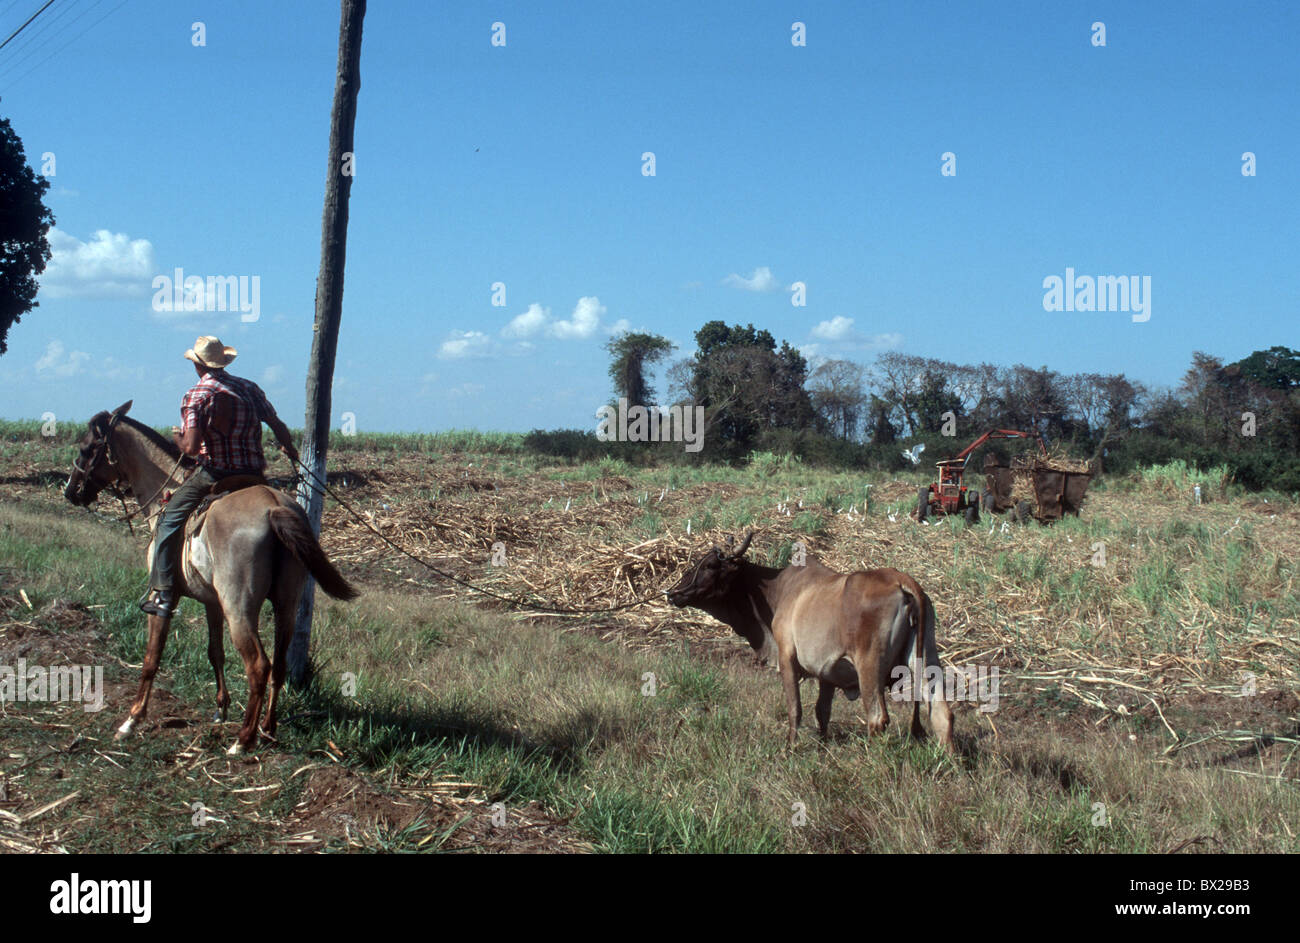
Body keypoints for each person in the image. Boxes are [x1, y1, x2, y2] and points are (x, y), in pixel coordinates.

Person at [139, 336, 300, 617]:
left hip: (216, 473)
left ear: (198, 366)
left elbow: (190, 448)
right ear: (223, 362)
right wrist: (289, 447)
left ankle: (163, 592)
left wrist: (178, 440)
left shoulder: (196, 395)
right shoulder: (250, 388)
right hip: (253, 474)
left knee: (168, 518)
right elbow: (277, 424)